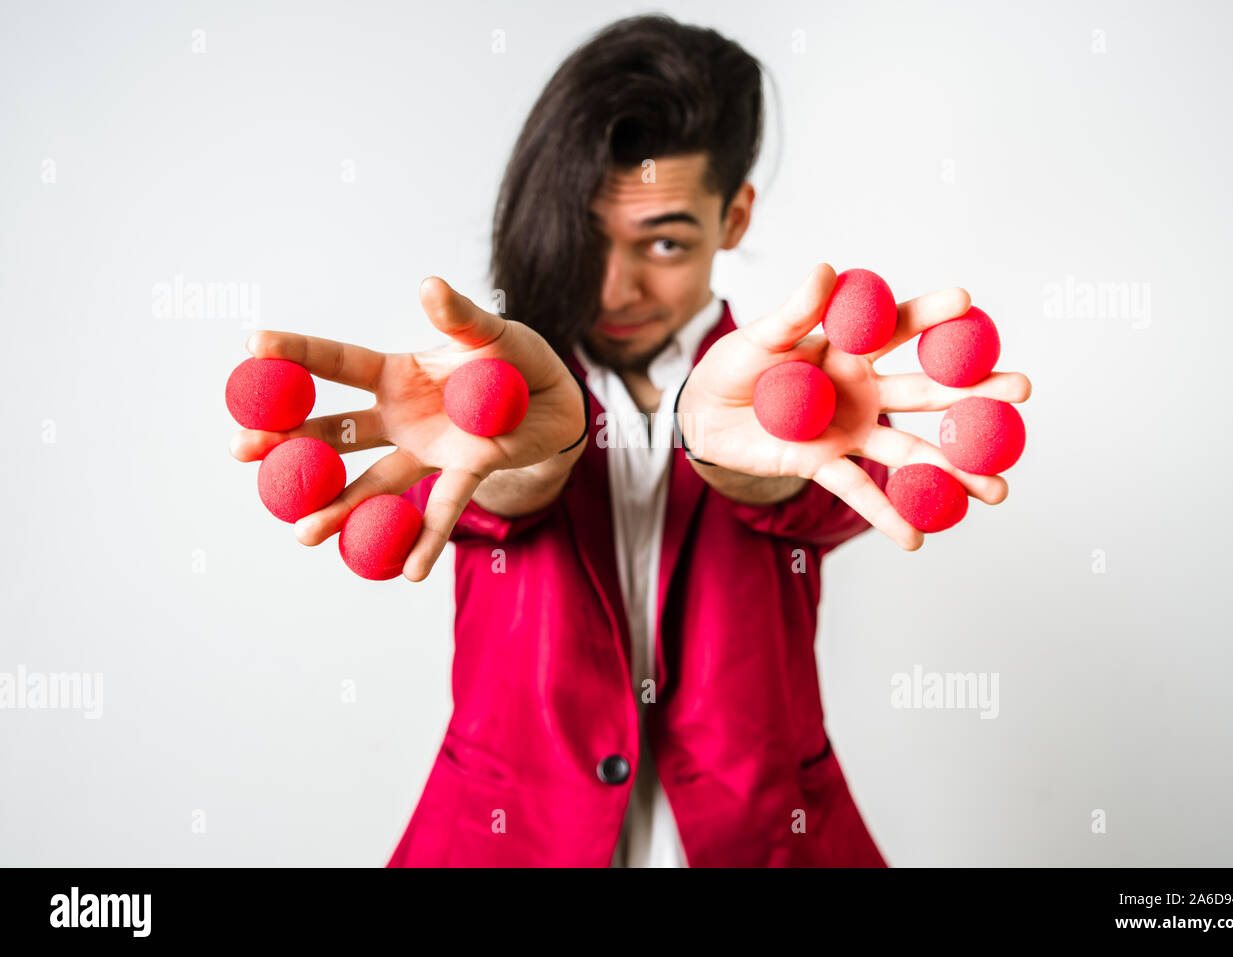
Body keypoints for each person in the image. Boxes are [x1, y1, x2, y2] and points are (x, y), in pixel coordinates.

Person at [229, 14, 1030, 867]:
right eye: (589, 234)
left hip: (766, 840)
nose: (617, 284)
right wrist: (530, 442)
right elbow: (496, 496)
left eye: (665, 241)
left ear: (735, 217)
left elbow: (789, 497)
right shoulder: (479, 391)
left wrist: (736, 448)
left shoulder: (811, 394)